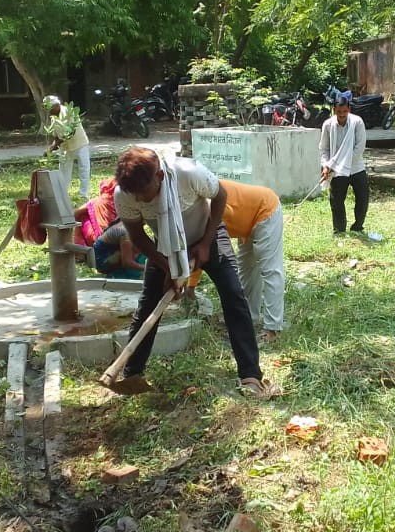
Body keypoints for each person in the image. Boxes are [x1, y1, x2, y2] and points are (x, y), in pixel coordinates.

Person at [113, 147, 277, 397]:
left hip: (208, 234)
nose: (140, 200)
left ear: (159, 176)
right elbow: (137, 236)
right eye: (133, 195)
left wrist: (204, 243)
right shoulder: (125, 195)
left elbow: (220, 195)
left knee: (233, 295)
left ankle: (250, 374)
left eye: (144, 193)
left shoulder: (188, 173)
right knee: (148, 305)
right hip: (165, 247)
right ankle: (131, 374)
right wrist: (168, 266)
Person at [221, 179, 286, 339]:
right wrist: (191, 285)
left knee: (270, 269)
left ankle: (272, 328)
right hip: (246, 225)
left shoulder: (202, 197)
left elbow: (204, 245)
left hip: (265, 209)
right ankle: (248, 316)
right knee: (247, 271)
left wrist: (191, 285)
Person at [318, 91, 369, 235]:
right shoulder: (328, 125)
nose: (342, 115)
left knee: (363, 198)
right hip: (336, 170)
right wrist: (326, 165)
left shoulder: (357, 122)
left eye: (344, 112)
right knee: (336, 201)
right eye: (339, 112)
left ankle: (358, 226)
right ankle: (339, 229)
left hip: (356, 167)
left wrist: (341, 164)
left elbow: (359, 147)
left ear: (349, 110)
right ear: (334, 110)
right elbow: (324, 148)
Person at [43, 95, 90, 199]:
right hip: (65, 148)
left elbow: (69, 133)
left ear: (57, 105)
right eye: (48, 110)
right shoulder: (53, 118)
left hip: (80, 144)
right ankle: (63, 194)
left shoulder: (70, 112)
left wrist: (52, 148)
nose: (49, 112)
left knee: (84, 169)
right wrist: (51, 148)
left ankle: (83, 194)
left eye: (50, 109)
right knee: (64, 172)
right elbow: (56, 136)